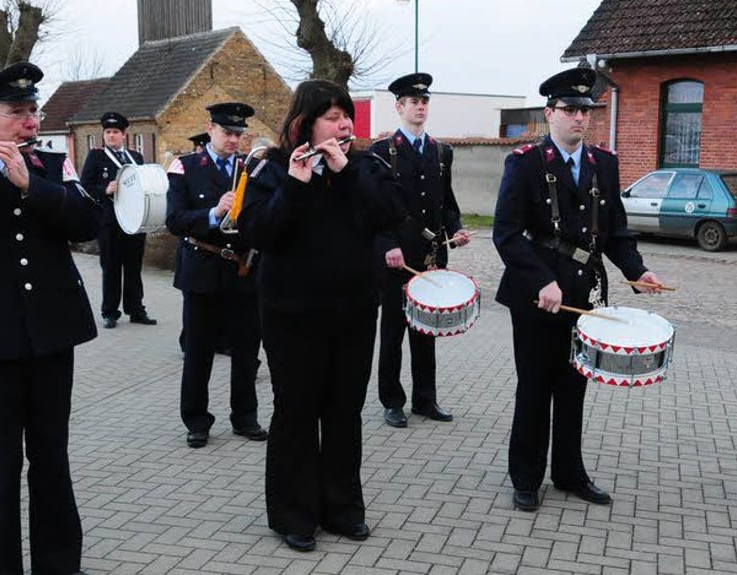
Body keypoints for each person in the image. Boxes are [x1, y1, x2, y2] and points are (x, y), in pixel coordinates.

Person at [0, 61, 98, 575]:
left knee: (51, 458)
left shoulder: (52, 163)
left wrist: (34, 186)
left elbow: (89, 223)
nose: (31, 122)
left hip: (50, 336)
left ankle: (59, 565)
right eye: (17, 112)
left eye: (34, 111)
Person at [240, 79, 403, 552]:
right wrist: (295, 185)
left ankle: (342, 507)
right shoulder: (270, 167)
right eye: (332, 117)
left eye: (346, 115)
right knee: (296, 411)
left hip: (353, 312)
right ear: (304, 123)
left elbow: (390, 214)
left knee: (344, 411)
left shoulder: (367, 166)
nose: (344, 124)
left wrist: (345, 172)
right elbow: (258, 232)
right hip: (291, 315)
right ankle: (294, 513)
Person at [492, 68, 662, 512]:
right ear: (550, 113)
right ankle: (526, 476)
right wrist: (540, 280)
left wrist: (637, 272)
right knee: (534, 387)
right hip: (538, 295)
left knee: (574, 387)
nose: (580, 118)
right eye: (570, 109)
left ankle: (569, 473)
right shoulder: (525, 162)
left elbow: (616, 231)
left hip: (585, 294)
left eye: (586, 110)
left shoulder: (604, 163)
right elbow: (506, 234)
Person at [370, 72, 470, 428]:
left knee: (427, 330)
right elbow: (375, 208)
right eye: (414, 101)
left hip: (430, 256)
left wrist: (456, 229)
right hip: (396, 258)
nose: (420, 107)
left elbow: (447, 203)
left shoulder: (442, 152)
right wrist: (388, 244)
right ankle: (392, 400)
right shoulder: (382, 152)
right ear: (399, 107)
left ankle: (425, 399)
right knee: (393, 332)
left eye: (425, 101)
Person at [166, 103, 266, 449]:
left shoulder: (250, 169)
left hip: (243, 269)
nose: (234, 140)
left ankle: (245, 417)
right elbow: (174, 220)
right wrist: (213, 212)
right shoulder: (187, 167)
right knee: (199, 351)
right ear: (210, 129)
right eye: (227, 132)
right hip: (202, 269)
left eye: (239, 134)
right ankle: (196, 420)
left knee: (246, 351)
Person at [80, 111, 157, 329]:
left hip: (134, 221)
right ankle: (110, 312)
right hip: (109, 222)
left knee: (134, 267)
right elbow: (85, 186)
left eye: (115, 132)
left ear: (124, 135)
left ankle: (136, 309)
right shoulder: (96, 157)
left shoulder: (135, 157)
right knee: (111, 267)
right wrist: (104, 189)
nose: (111, 136)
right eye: (107, 132)